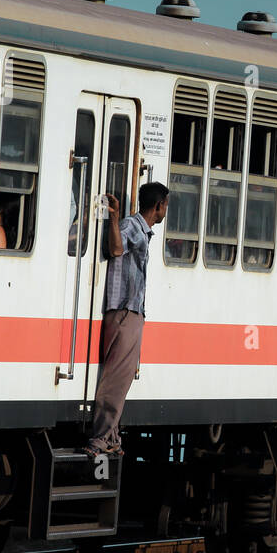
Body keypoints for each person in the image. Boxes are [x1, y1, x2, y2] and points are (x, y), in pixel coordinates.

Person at [85, 182, 170, 457]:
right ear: (158, 206)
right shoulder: (133, 226)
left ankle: (111, 436)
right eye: (165, 205)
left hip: (130, 312)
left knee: (121, 379)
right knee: (116, 380)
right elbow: (116, 249)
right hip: (125, 312)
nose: (166, 210)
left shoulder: (141, 230)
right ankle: (100, 438)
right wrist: (113, 217)